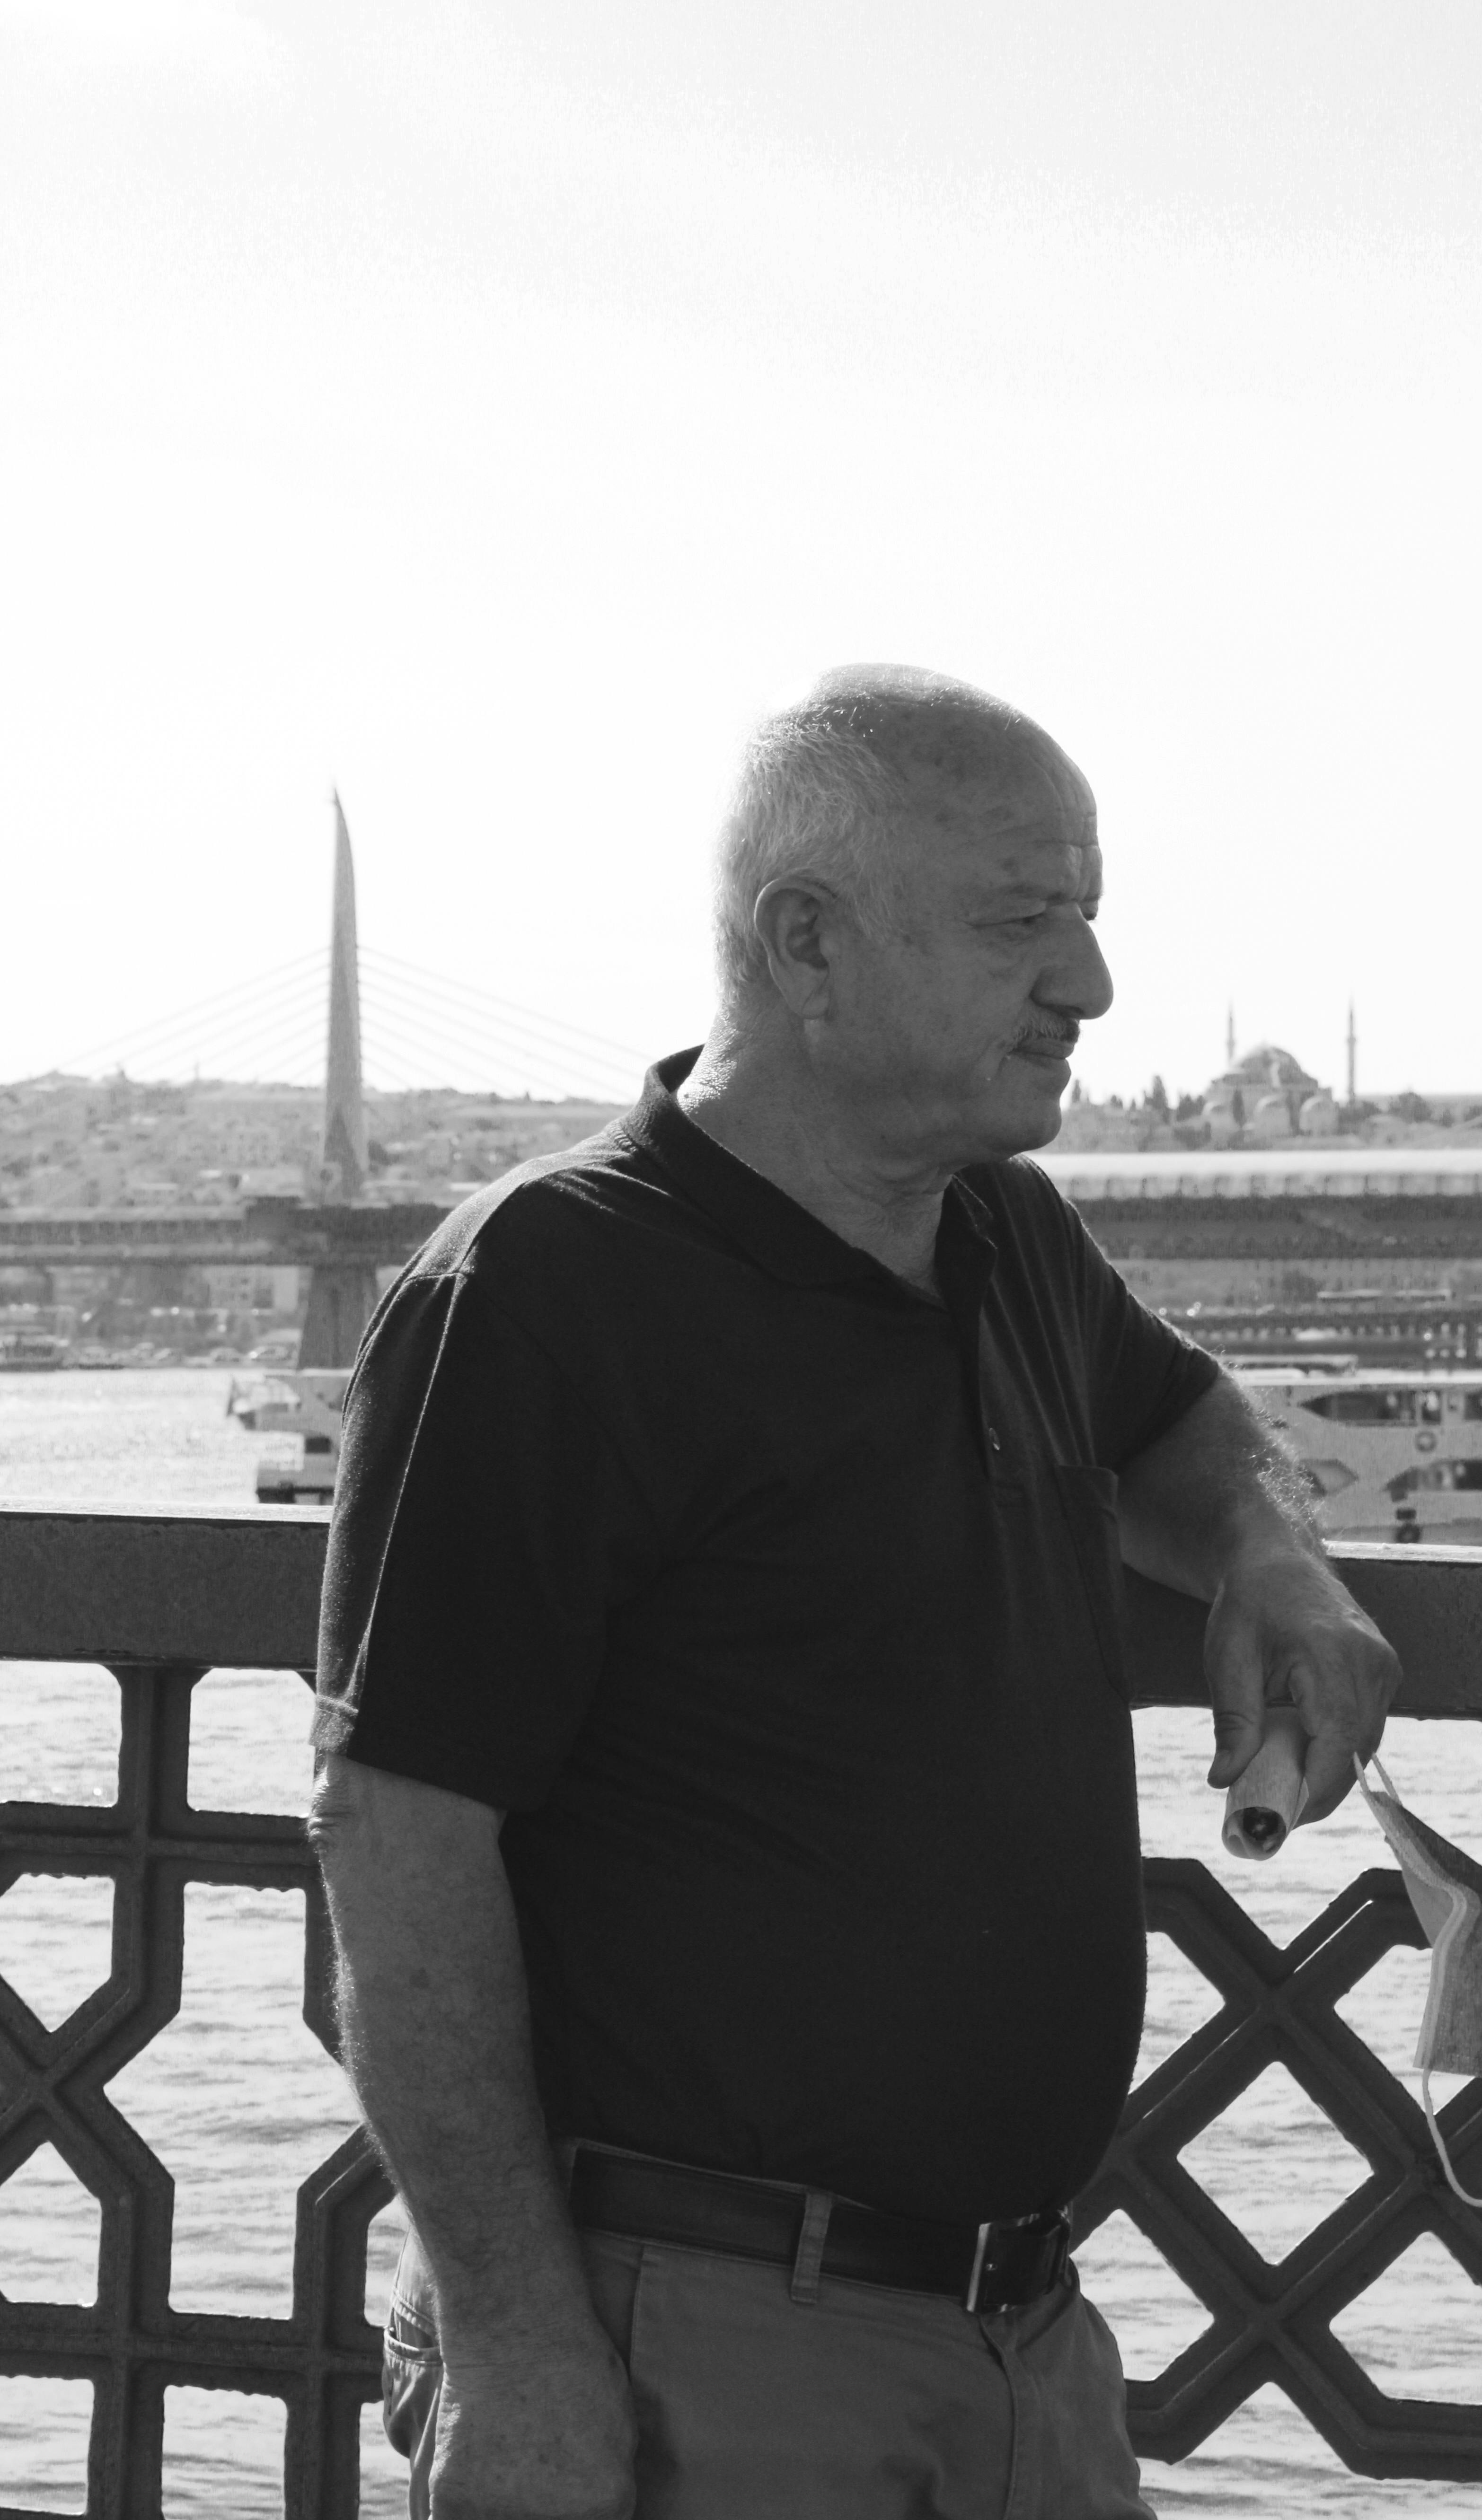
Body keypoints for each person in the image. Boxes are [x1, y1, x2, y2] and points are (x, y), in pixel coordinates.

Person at [310, 667, 1399, 2520]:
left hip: (1022, 2340)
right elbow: (395, 1836)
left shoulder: (1002, 1230)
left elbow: (1180, 1422)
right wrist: (517, 2349)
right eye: (1020, 920)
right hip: (696, 2351)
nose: (1088, 984)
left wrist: (1270, 1551)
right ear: (804, 944)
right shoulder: (548, 1295)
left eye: (1089, 916)